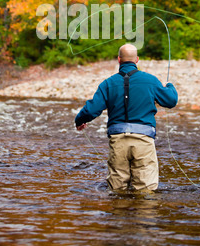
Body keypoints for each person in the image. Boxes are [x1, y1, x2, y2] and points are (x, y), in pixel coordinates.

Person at [75, 43, 178, 193]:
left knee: (117, 191)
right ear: (137, 60)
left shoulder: (107, 83)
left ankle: (118, 214)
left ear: (118, 60)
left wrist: (79, 120)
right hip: (143, 141)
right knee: (145, 192)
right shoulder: (151, 80)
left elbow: (92, 109)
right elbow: (171, 101)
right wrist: (170, 86)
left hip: (118, 142)